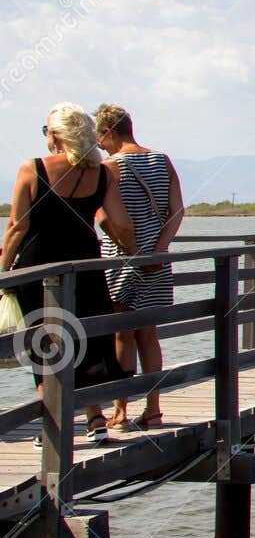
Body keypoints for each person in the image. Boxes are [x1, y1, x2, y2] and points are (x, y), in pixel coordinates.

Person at [0, 103, 136, 447]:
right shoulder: (103, 173)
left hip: (38, 270)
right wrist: (136, 254)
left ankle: (53, 426)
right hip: (85, 268)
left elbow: (18, 226)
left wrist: (3, 271)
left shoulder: (32, 169)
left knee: (44, 345)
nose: (45, 137)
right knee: (86, 343)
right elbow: (119, 222)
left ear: (58, 136)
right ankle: (95, 418)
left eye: (46, 131)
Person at [94, 104, 185, 431]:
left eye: (98, 135)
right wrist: (157, 252)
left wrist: (132, 252)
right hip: (157, 261)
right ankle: (154, 409)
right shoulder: (162, 160)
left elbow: (104, 217)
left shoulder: (109, 167)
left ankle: (120, 410)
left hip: (121, 261)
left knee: (122, 335)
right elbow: (177, 211)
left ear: (108, 132)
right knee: (150, 335)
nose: (98, 142)